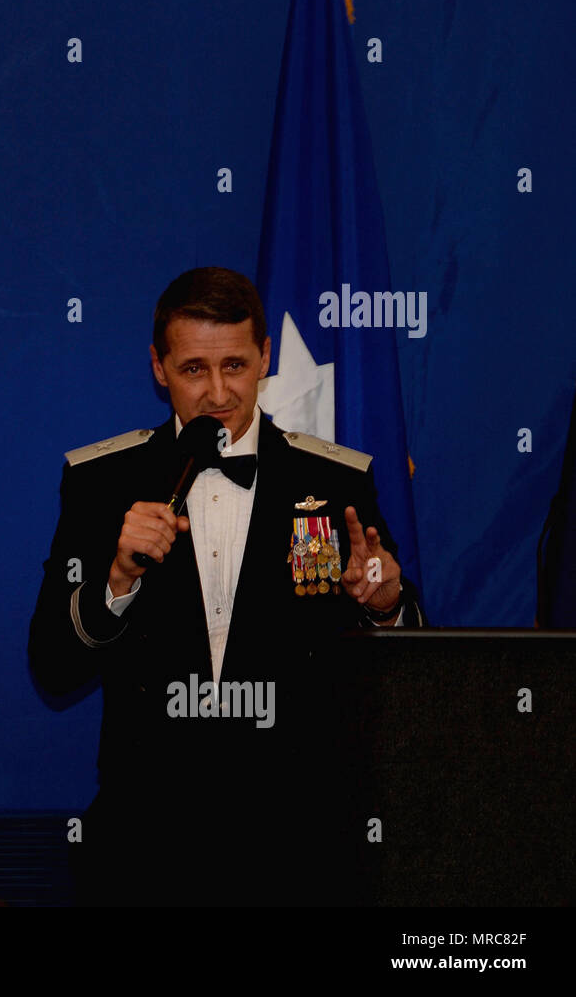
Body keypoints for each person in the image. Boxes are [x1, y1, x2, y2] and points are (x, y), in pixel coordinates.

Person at [28, 267, 425, 906]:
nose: (218, 393)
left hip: (299, 839)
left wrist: (385, 608)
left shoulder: (338, 482)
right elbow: (52, 664)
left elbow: (407, 679)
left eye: (235, 366)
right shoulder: (101, 483)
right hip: (145, 840)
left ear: (265, 357)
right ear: (159, 368)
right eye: (192, 370)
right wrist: (118, 580)